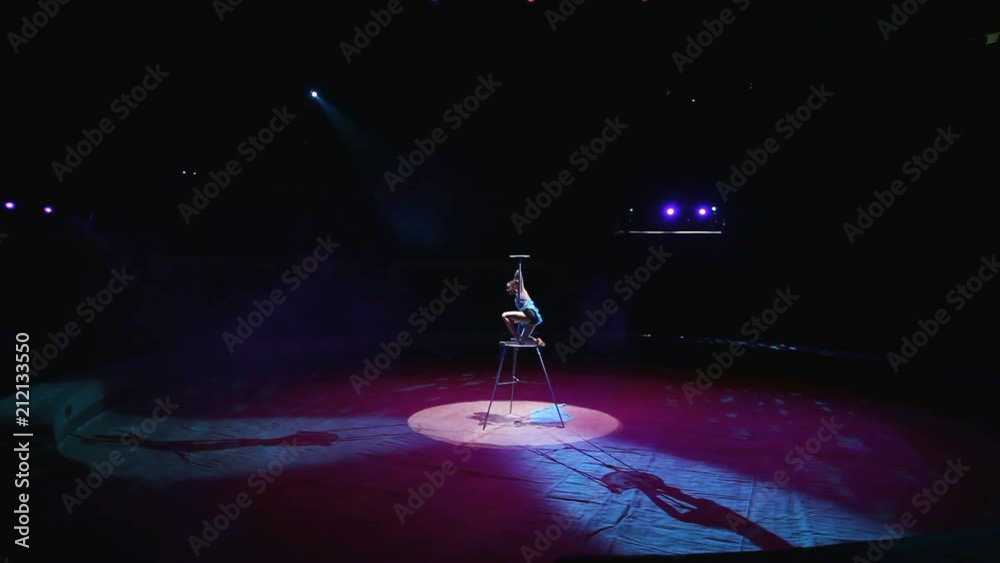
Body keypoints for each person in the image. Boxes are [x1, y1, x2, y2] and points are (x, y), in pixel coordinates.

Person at [502, 269, 544, 346]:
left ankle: (517, 338)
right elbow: (521, 317)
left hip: (530, 314)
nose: (507, 290)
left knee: (504, 315)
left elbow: (519, 273)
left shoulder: (521, 291)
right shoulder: (517, 297)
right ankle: (537, 341)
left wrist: (516, 279)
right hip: (532, 319)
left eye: (508, 288)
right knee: (523, 340)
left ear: (514, 287)